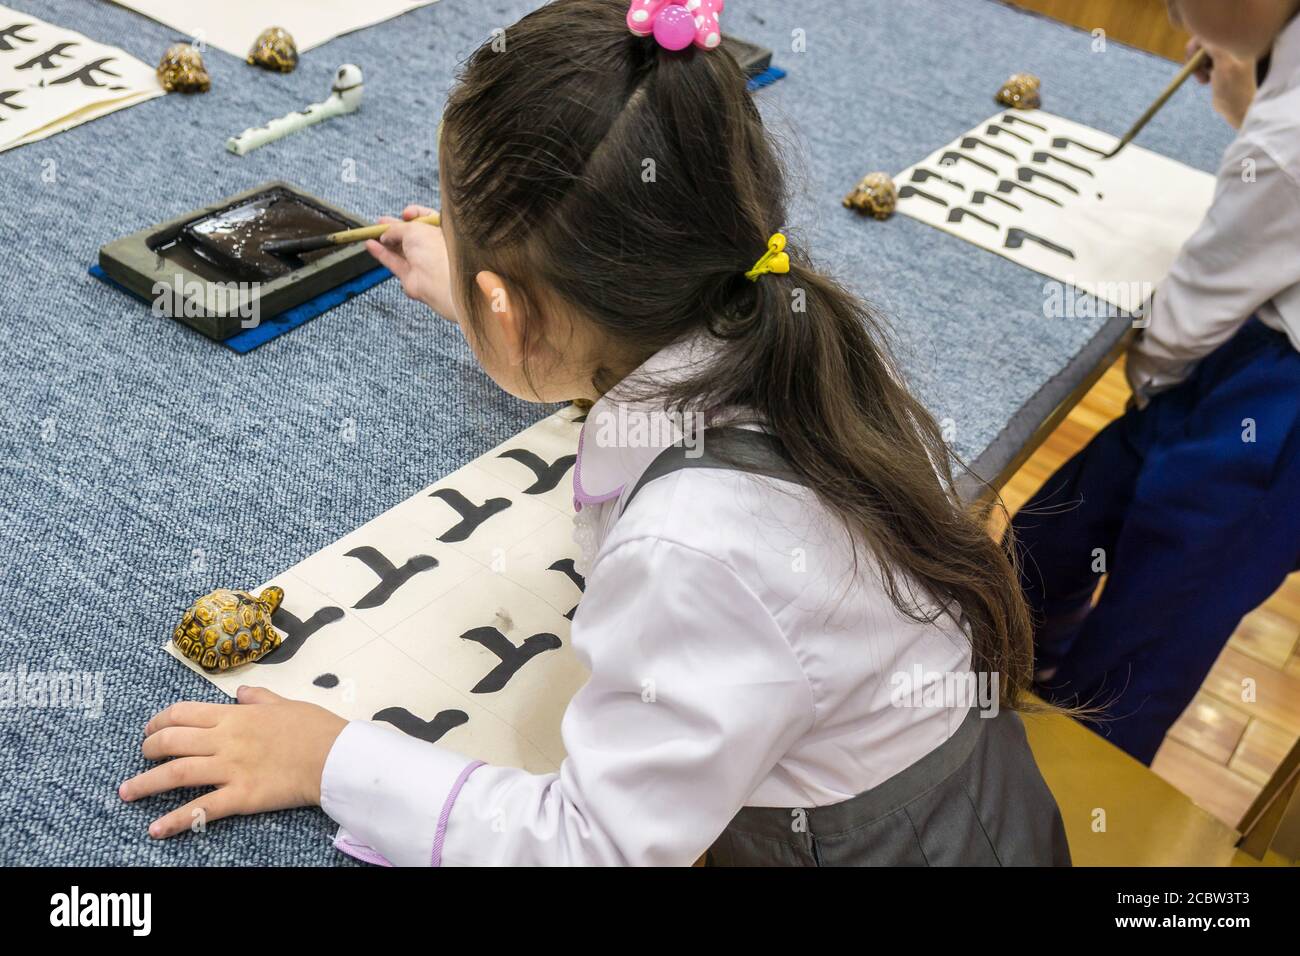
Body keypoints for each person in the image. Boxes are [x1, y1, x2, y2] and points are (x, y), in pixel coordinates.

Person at [121, 0, 1068, 866]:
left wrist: (330, 758)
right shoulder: (786, 328)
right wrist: (495, 301)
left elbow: (591, 847)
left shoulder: (691, 551)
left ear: (515, 312)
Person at [1012, 0, 1300, 763]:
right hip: (1240, 365)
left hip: (1278, 416)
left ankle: (1065, 791)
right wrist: (1250, 110)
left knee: (1134, 659)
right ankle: (1018, 681)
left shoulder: (1287, 137)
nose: (1175, 18)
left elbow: (1202, 297)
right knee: (1046, 541)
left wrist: (1149, 377)